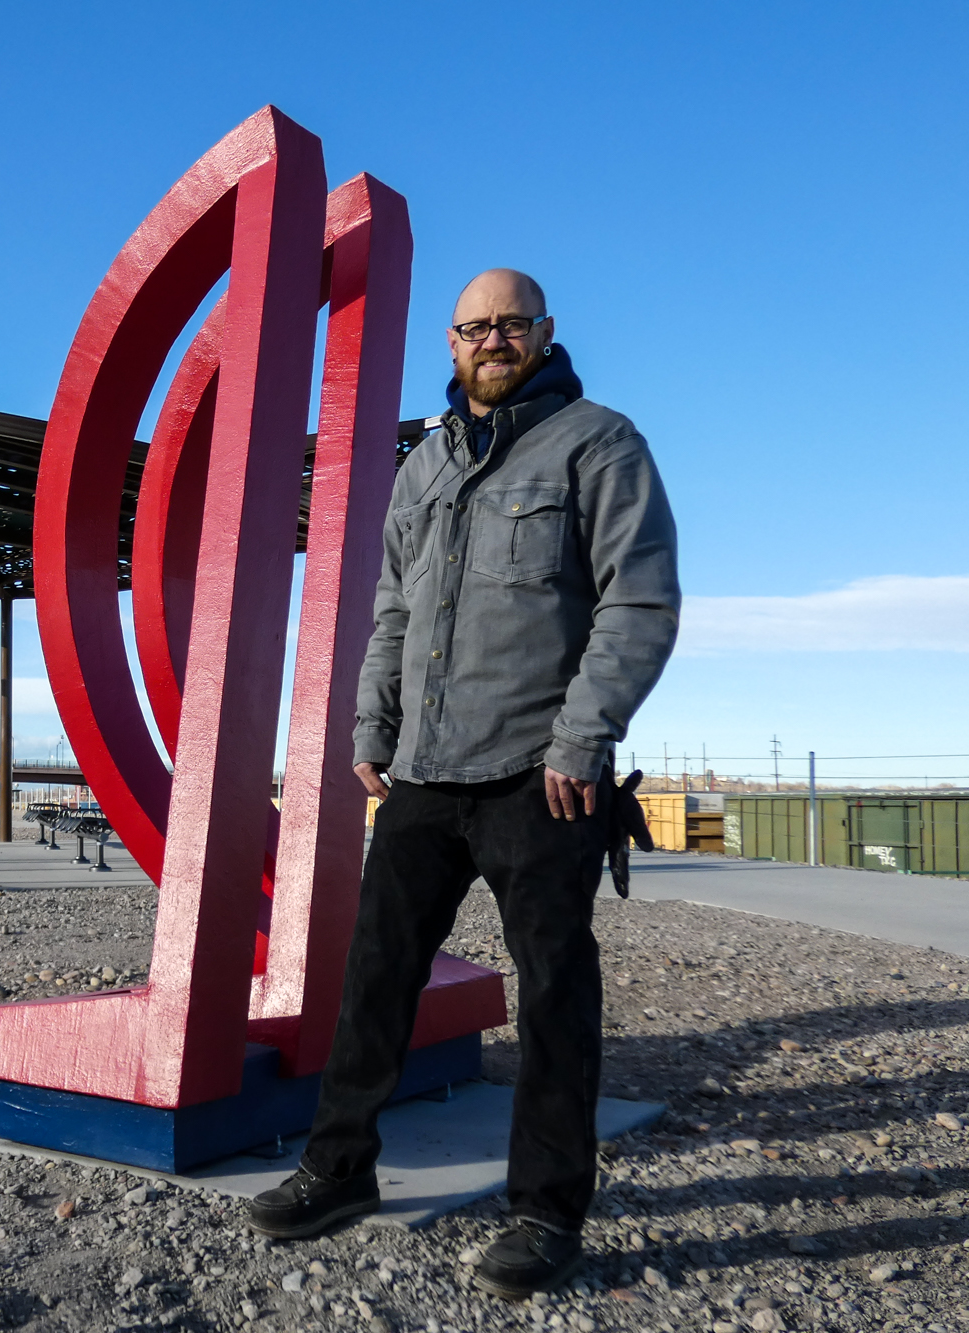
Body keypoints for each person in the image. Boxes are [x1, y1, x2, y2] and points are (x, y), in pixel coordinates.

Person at [247, 269, 680, 1298]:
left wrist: (581, 739)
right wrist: (371, 720)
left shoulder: (598, 443)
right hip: (425, 776)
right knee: (373, 975)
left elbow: (638, 603)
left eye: (510, 324)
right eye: (473, 328)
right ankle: (338, 1168)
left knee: (554, 995)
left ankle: (542, 1208)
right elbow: (390, 606)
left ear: (543, 332)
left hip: (543, 774)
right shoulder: (424, 466)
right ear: (449, 344)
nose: (492, 340)